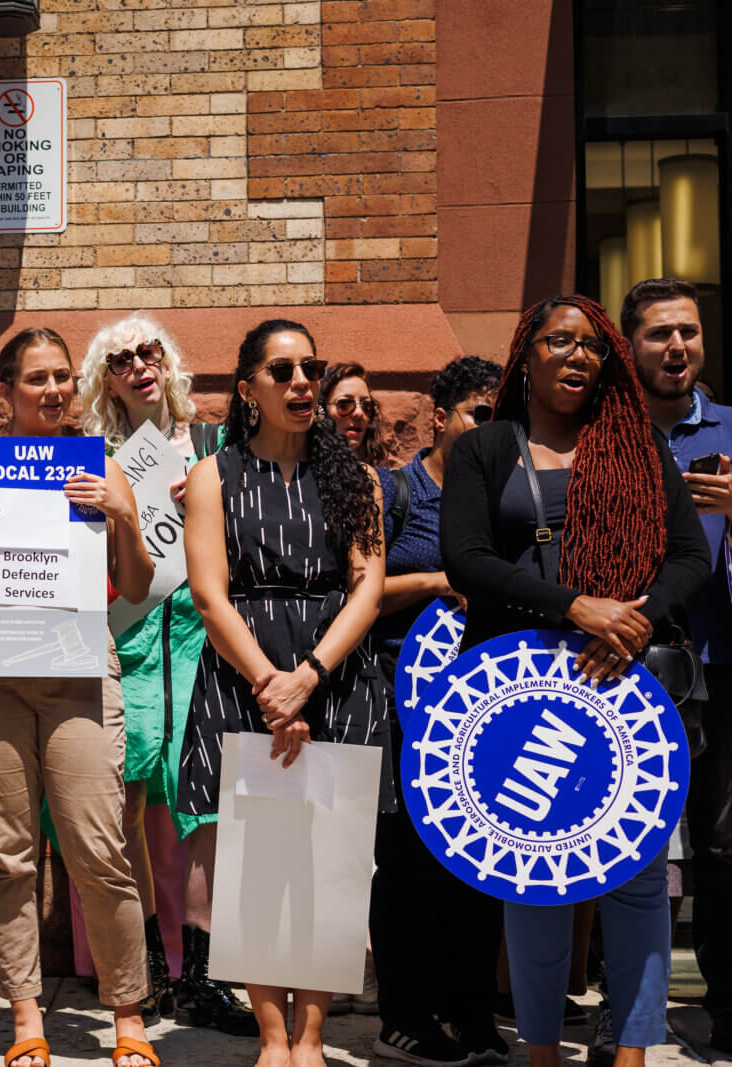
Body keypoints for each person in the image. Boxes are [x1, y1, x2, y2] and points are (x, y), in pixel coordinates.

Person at [440, 294, 711, 1067]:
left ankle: (630, 1049)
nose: (577, 356)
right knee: (533, 872)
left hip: (623, 680)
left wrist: (635, 618)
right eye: (559, 341)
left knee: (637, 874)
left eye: (591, 344)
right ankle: (540, 1052)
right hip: (518, 688)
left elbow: (690, 556)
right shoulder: (485, 448)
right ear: (526, 354)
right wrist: (575, 605)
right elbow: (467, 558)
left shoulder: (637, 446)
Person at [178, 319, 389, 1067]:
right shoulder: (215, 475)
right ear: (248, 390)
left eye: (310, 368)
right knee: (261, 865)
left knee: (331, 864)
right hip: (248, 676)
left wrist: (311, 676)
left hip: (335, 674)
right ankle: (272, 1038)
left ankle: (312, 1036)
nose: (302, 381)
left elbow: (368, 587)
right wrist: (271, 683)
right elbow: (210, 594)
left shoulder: (356, 477)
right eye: (283, 370)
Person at [0, 326, 159, 1067]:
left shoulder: (102, 467)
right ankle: (24, 1013)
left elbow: (136, 587)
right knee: (6, 852)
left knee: (97, 843)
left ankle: (128, 1015)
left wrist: (125, 514)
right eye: (35, 379)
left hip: (80, 666)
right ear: (5, 393)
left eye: (60, 377)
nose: (52, 391)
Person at [78, 313, 257, 1035]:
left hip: (202, 634)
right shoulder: (96, 456)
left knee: (205, 805)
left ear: (168, 361)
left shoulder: (215, 443)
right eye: (120, 360)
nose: (138, 366)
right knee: (123, 799)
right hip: (129, 638)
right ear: (107, 379)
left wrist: (211, 505)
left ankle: (207, 977)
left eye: (148, 351)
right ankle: (147, 967)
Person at [367, 356, 506, 1067]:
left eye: (499, 416)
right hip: (401, 700)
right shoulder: (397, 493)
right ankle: (403, 1015)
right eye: (479, 413)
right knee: (409, 864)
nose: (490, 428)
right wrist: (435, 579)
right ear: (441, 416)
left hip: (483, 709)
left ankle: (473, 1013)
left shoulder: (503, 496)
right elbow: (359, 596)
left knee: (479, 861)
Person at [620, 277, 732, 1052]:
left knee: (724, 846)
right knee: (632, 848)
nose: (677, 346)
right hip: (629, 669)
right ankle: (629, 1011)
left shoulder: (731, 428)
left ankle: (726, 1004)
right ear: (631, 347)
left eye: (688, 331)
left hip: (722, 665)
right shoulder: (606, 434)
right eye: (659, 333)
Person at [320, 362, 395, 467]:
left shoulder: (379, 478)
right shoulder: (298, 476)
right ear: (321, 411)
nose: (359, 413)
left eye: (367, 406)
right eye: (344, 405)